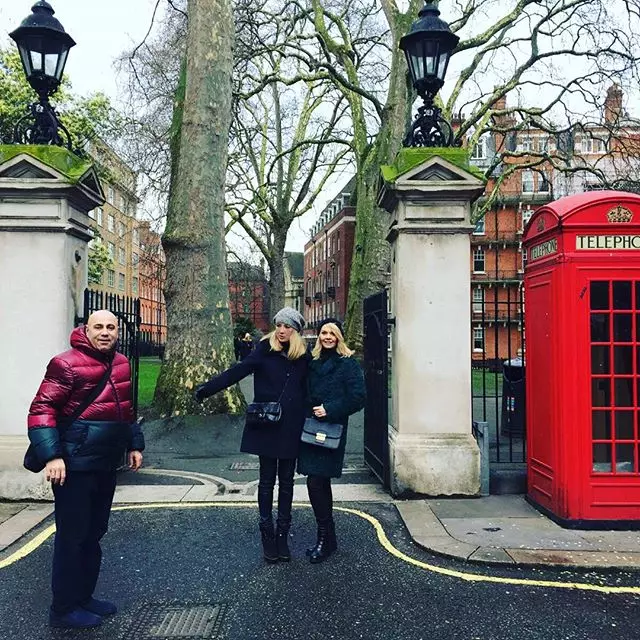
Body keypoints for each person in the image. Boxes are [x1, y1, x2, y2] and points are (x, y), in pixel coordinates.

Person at [27, 310, 145, 629]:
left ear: (118, 331)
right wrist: (52, 456)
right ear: (86, 329)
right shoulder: (65, 363)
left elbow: (125, 408)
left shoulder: (120, 362)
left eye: (111, 327)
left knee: (94, 534)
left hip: (105, 463)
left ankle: (83, 597)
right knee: (73, 537)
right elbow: (42, 410)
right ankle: (63, 609)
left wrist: (134, 444)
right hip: (73, 466)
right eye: (99, 327)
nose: (105, 332)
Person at [195, 307, 308, 563]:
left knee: (288, 482)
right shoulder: (263, 351)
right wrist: (207, 389)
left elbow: (314, 387)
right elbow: (237, 371)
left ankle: (282, 536)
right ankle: (267, 535)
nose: (281, 330)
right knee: (267, 481)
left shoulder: (304, 357)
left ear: (296, 331)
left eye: (287, 326)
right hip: (267, 424)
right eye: (278, 325)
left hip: (291, 426)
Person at [298, 318, 366, 563]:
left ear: (339, 338)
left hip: (331, 428)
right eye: (324, 332)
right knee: (317, 482)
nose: (327, 337)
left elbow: (359, 397)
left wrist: (330, 409)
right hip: (310, 428)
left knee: (316, 482)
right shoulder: (312, 361)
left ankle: (325, 539)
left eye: (332, 333)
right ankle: (328, 538)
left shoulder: (348, 364)